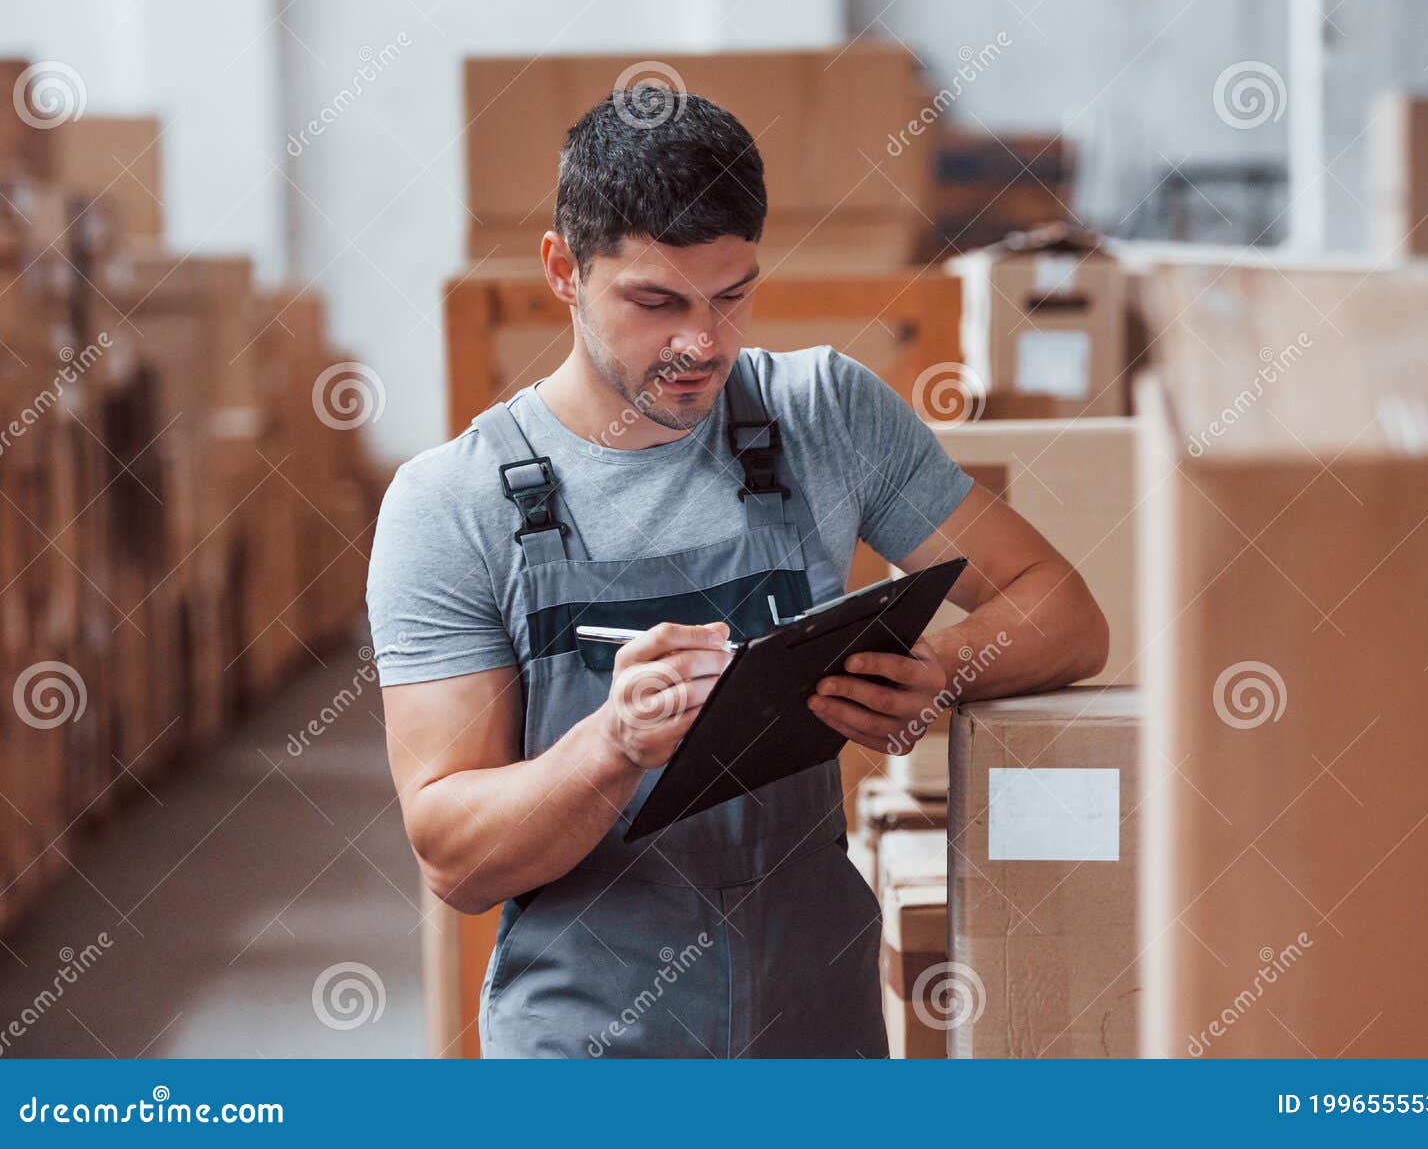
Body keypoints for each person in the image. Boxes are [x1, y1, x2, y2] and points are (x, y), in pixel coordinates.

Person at [366, 88, 1108, 1058]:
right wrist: (612, 747)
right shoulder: (451, 506)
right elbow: (454, 858)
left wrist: (941, 671)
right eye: (656, 302)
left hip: (815, 1029)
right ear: (563, 269)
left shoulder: (824, 415)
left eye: (731, 296)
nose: (702, 345)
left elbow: (1063, 610)